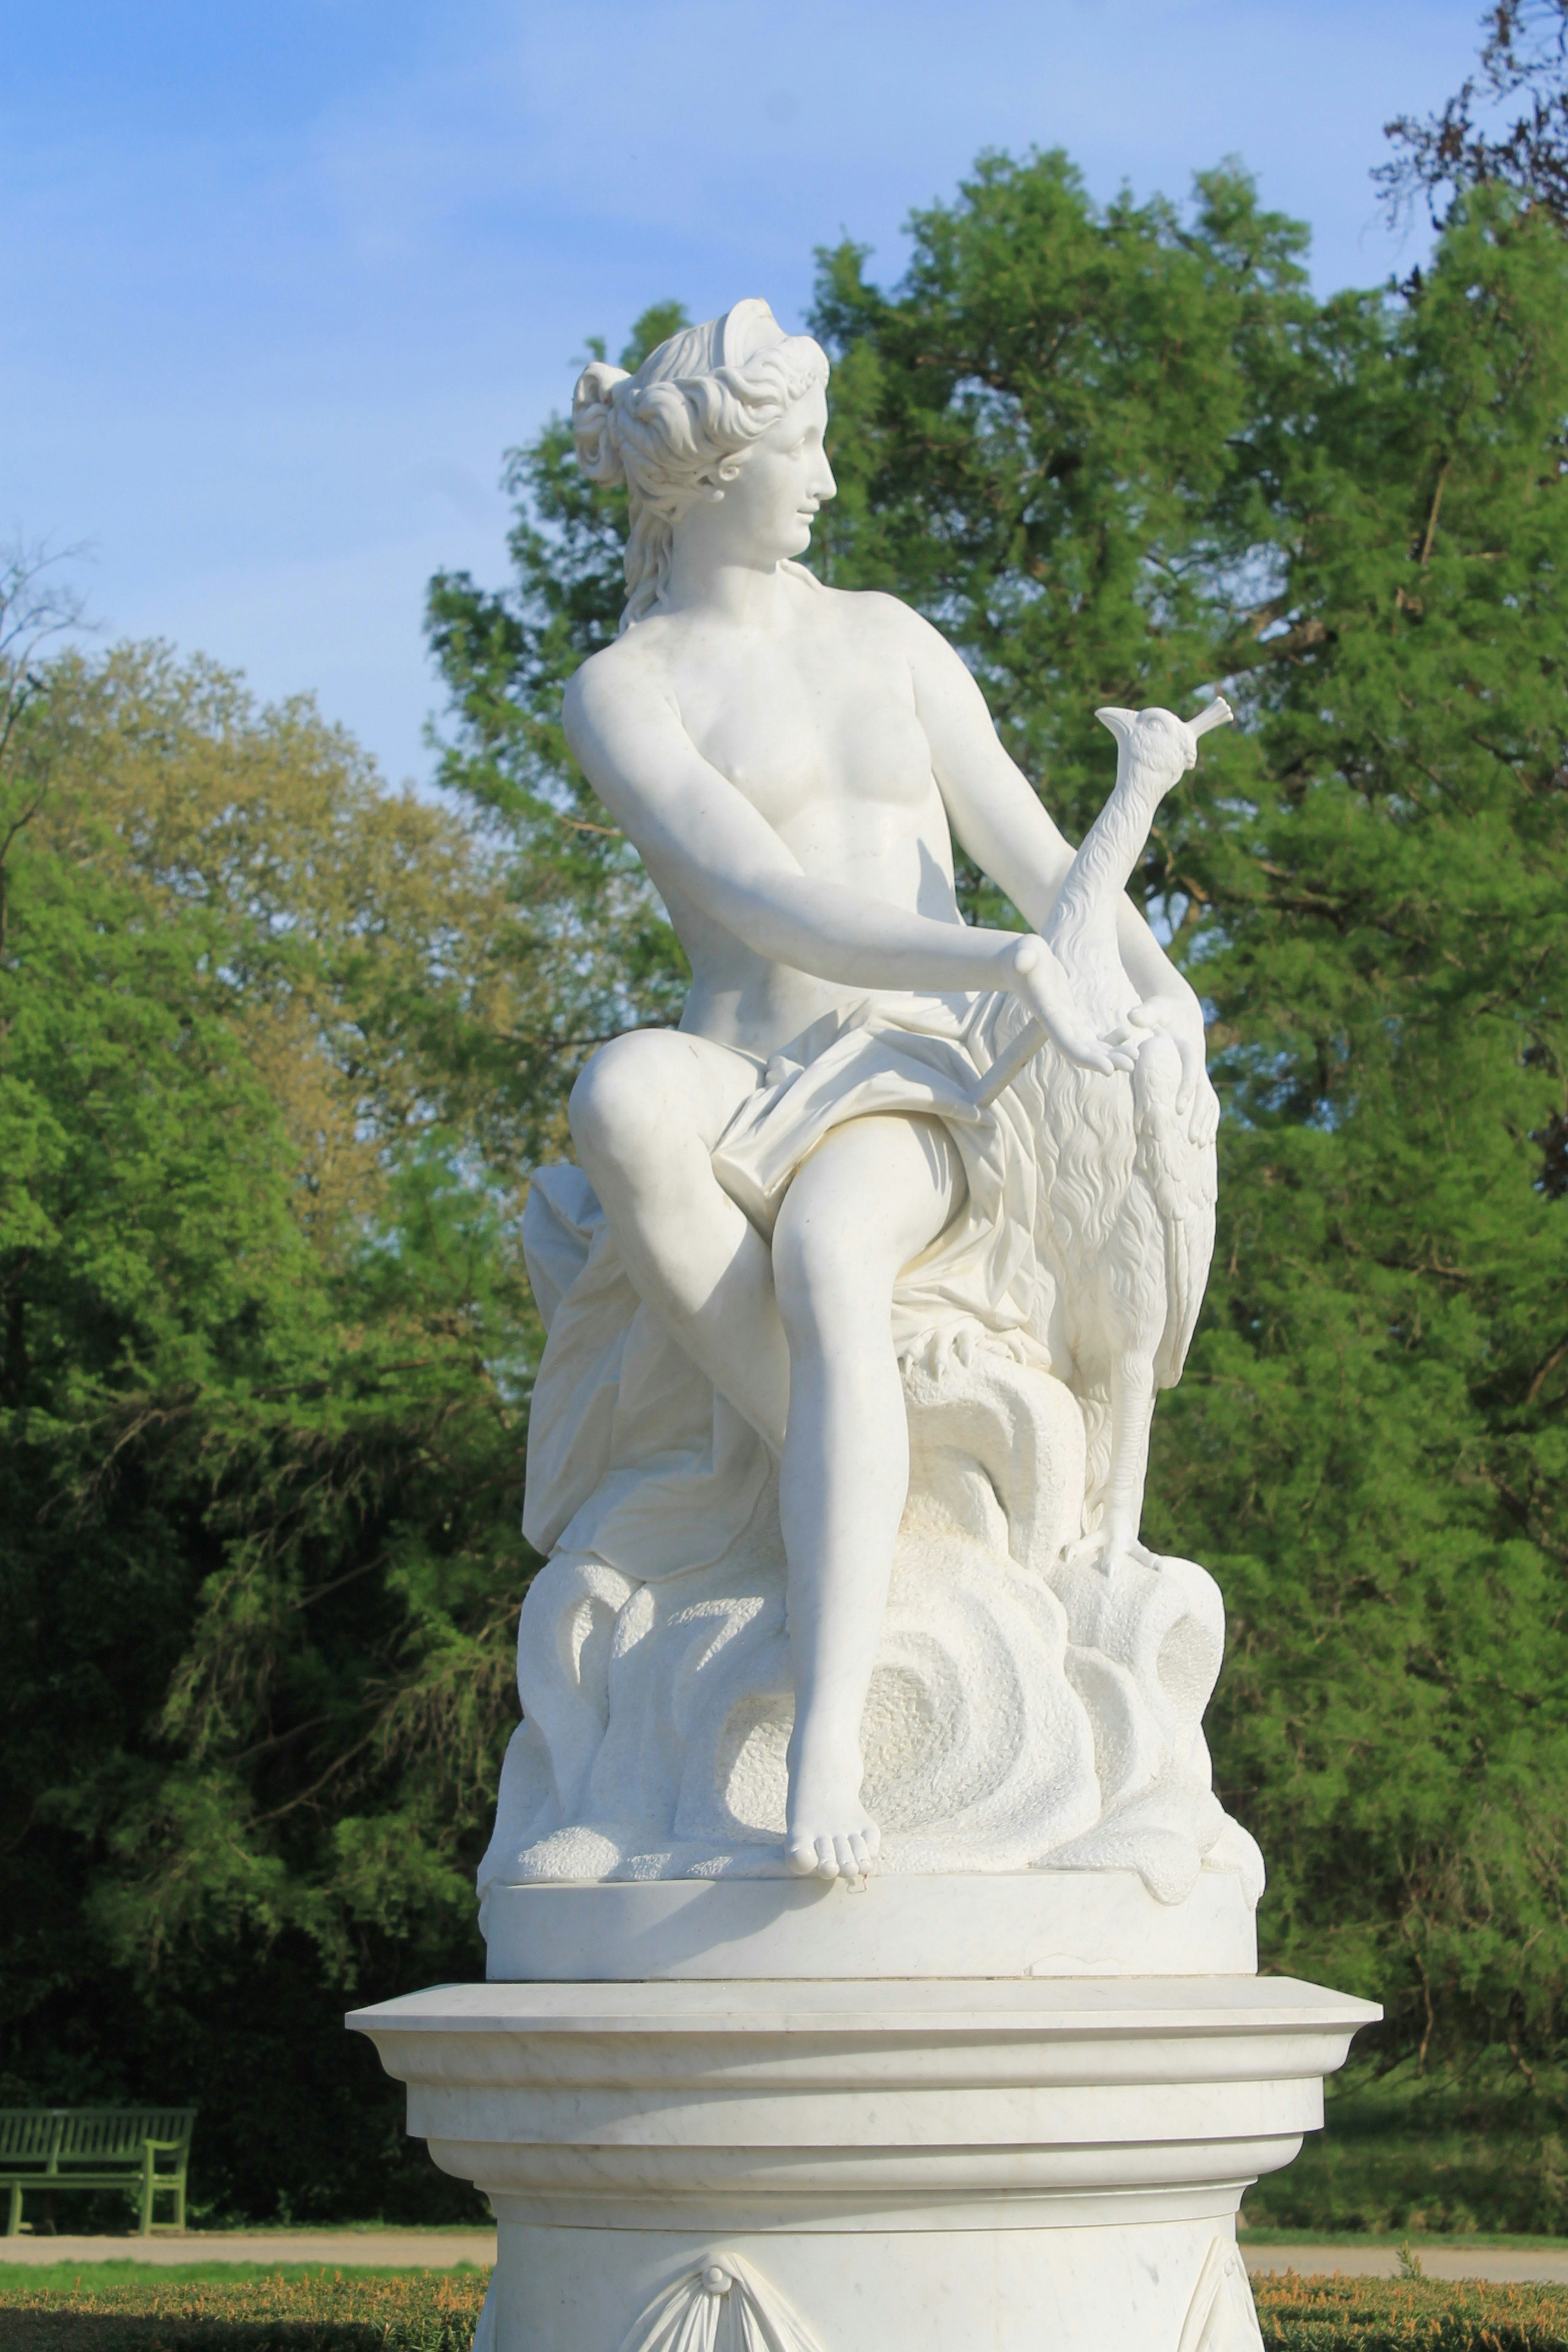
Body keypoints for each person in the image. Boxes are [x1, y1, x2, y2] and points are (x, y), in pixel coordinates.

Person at [559, 300, 1207, 1882]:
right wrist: (1004, 964)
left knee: (832, 1254)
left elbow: (1037, 856)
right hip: (746, 1060)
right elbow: (764, 897)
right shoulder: (626, 687)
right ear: (710, 479)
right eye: (803, 449)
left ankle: (833, 1720)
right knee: (622, 1093)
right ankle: (850, 1467)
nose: (830, 482)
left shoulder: (892, 641)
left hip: (904, 1077)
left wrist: (1153, 984)